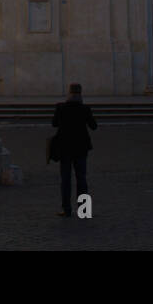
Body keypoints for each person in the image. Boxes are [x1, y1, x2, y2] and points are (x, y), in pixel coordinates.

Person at [52, 83, 97, 216]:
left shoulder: (61, 107)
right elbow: (94, 126)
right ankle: (84, 210)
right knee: (81, 178)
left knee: (65, 179)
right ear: (80, 94)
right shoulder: (85, 109)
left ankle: (66, 209)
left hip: (65, 147)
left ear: (69, 93)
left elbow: (54, 123)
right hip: (81, 147)